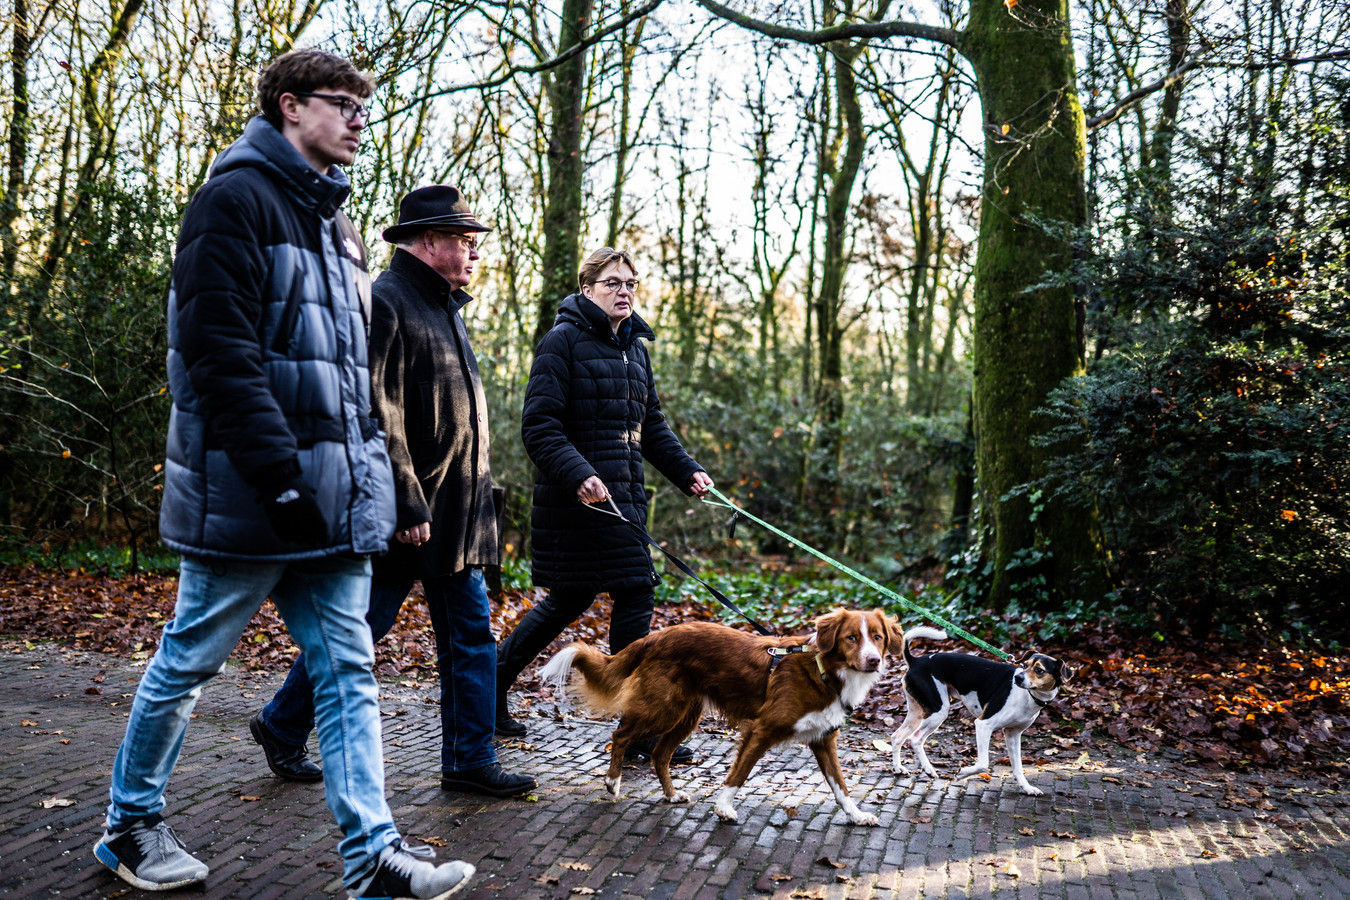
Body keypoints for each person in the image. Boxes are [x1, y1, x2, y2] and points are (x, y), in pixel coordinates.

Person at [92, 50, 474, 900]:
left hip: (335, 507)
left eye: (363, 108)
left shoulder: (337, 228)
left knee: (348, 672)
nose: (357, 121)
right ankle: (129, 824)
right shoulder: (233, 203)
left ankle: (372, 854)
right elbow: (218, 354)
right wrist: (281, 479)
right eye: (342, 105)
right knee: (188, 663)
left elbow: (348, 378)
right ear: (289, 106)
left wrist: (373, 484)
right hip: (250, 496)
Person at [249, 185, 535, 799]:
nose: (474, 251)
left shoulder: (443, 304)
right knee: (365, 627)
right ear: (429, 241)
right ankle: (282, 722)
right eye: (464, 240)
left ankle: (465, 757)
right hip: (411, 513)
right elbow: (378, 413)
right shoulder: (386, 301)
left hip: (455, 512)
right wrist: (405, 501)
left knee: (465, 636)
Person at [496, 247, 713, 758]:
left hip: (624, 498)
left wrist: (689, 472)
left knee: (571, 598)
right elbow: (539, 427)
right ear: (587, 287)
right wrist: (580, 475)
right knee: (635, 588)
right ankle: (640, 725)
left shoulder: (635, 348)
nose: (624, 291)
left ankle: (487, 689)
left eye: (631, 283)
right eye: (613, 282)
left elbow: (651, 424)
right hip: (578, 502)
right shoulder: (561, 342)